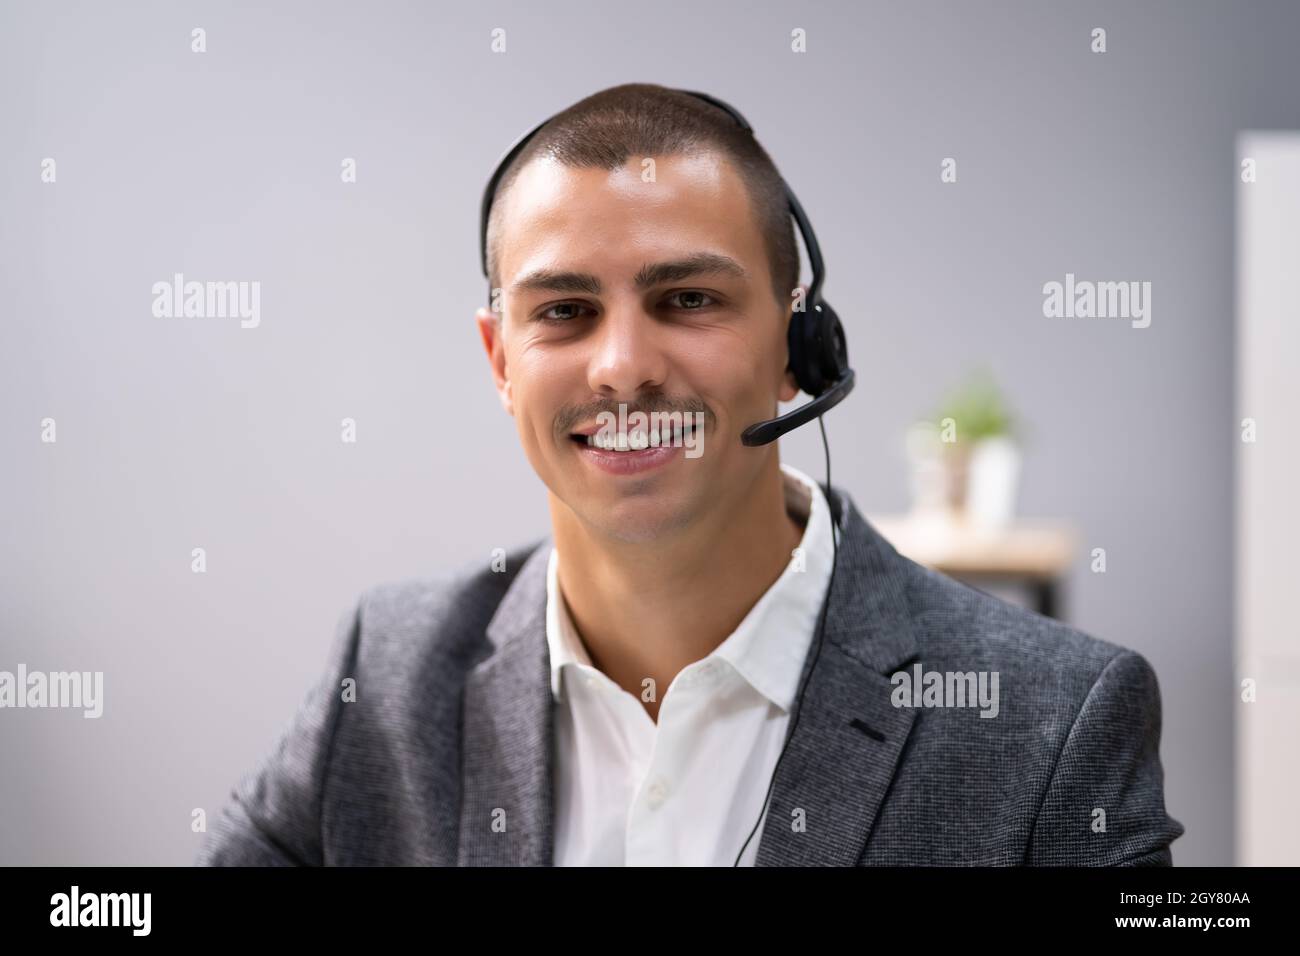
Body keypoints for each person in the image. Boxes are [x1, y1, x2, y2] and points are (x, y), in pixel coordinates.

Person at [197, 83, 1183, 866]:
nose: (622, 366)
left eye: (687, 298)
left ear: (798, 345)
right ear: (500, 361)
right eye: (564, 311)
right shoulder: (388, 670)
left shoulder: (1050, 720)